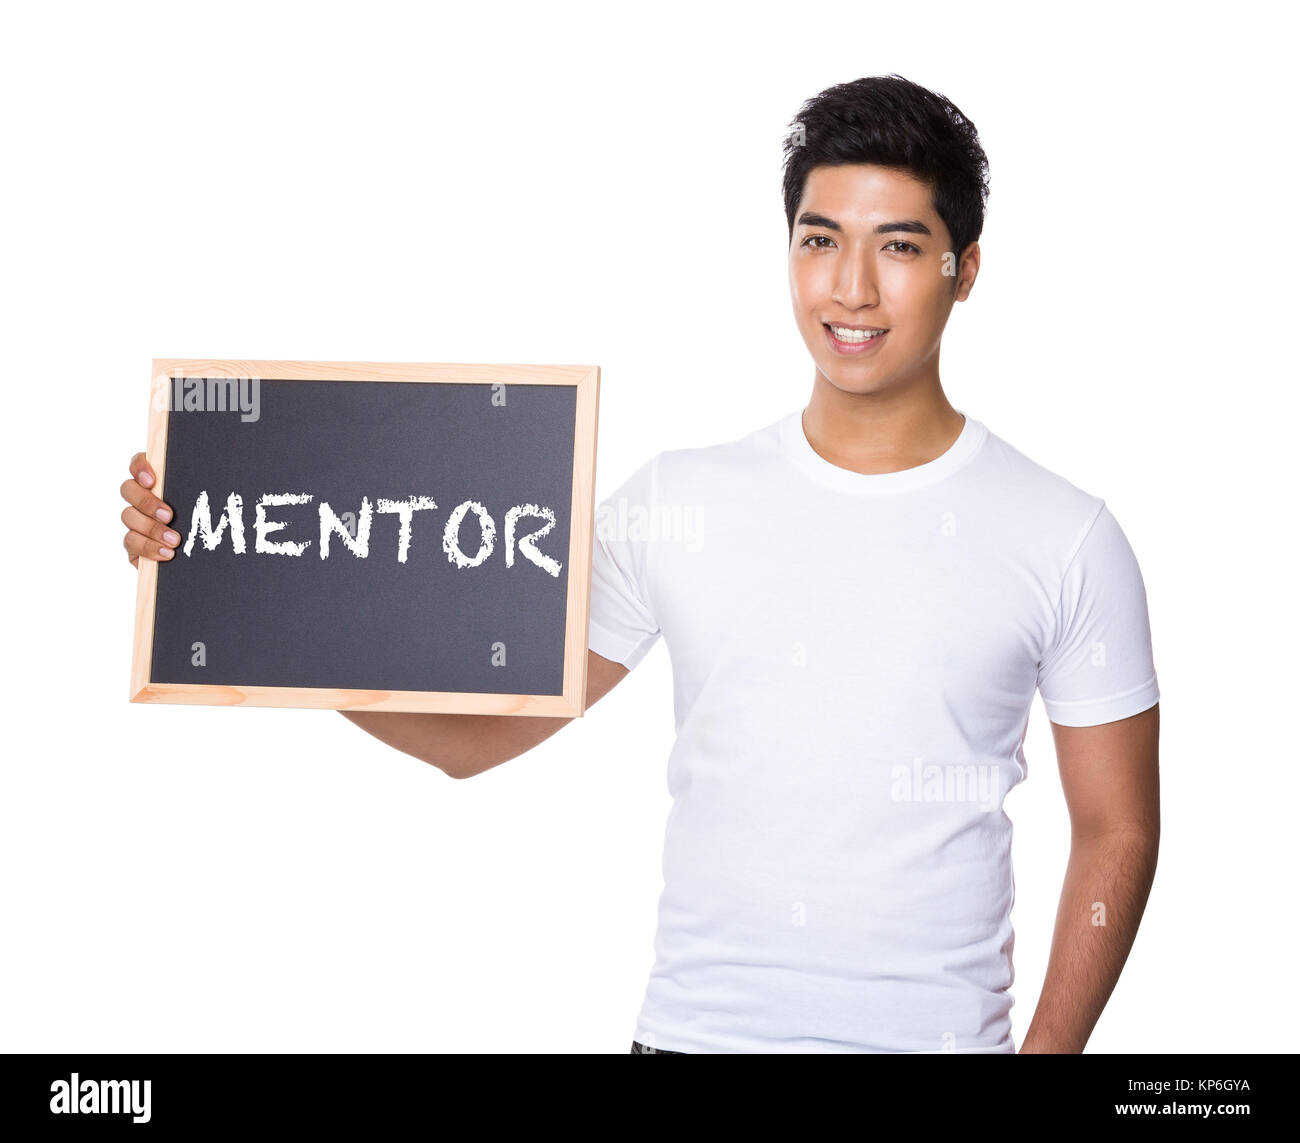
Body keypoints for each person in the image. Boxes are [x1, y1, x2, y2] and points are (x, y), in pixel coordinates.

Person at [119, 74, 1160, 1054]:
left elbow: (1116, 827)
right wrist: (236, 590)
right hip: (692, 1037)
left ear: (961, 268)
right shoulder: (679, 501)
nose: (849, 288)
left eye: (896, 245)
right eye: (818, 239)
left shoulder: (1061, 533)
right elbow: (471, 740)